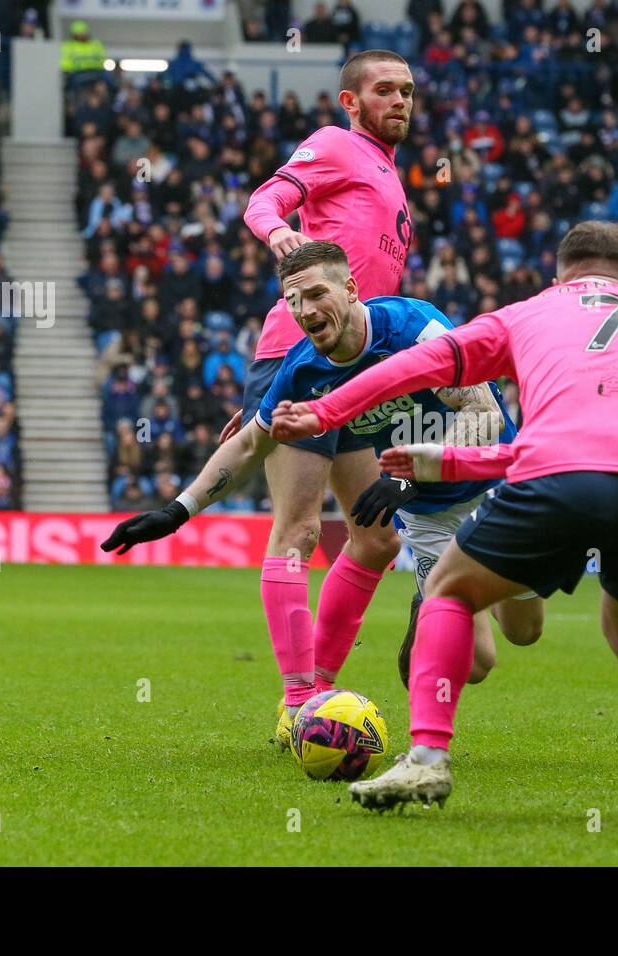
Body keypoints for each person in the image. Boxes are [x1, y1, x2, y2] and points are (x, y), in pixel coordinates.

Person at [270, 222, 618, 823]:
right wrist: (448, 460)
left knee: (450, 592)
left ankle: (426, 757)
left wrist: (324, 410)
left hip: (552, 477)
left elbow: (412, 370)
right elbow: (610, 436)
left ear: (560, 276)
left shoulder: (528, 314)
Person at [101, 242, 543, 744]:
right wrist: (178, 509)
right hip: (430, 515)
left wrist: (407, 476)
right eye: (294, 301)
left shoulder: (415, 330)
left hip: (500, 486)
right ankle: (429, 625)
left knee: (524, 631)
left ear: (351, 289)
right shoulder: (304, 370)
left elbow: (483, 415)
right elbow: (249, 443)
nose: (306, 310)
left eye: (315, 294)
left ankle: (451, 595)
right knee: (478, 664)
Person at [228, 50, 419, 741]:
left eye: (406, 90)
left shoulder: (391, 177)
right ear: (350, 101)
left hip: (362, 366)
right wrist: (285, 239)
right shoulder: (338, 145)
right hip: (301, 356)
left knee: (373, 538)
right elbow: (263, 200)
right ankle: (297, 699)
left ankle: (322, 691)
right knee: (301, 528)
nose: (399, 100)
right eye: (383, 90)